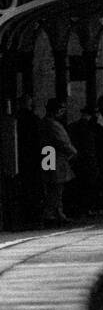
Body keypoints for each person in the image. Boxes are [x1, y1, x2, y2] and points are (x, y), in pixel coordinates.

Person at [38, 98, 77, 226]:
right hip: (55, 157)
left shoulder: (44, 123)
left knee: (52, 186)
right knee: (56, 186)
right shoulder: (53, 124)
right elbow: (62, 142)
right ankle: (52, 214)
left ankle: (55, 213)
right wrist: (73, 151)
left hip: (47, 155)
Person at [67, 104, 103, 218]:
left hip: (77, 160)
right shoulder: (93, 127)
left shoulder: (72, 126)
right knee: (90, 185)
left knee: (79, 185)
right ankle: (88, 208)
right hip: (89, 160)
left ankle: (79, 208)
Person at [15, 93, 43, 225]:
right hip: (35, 158)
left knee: (24, 187)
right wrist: (49, 163)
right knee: (35, 187)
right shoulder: (34, 119)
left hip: (20, 158)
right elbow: (43, 141)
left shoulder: (16, 118)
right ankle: (35, 216)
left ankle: (24, 216)